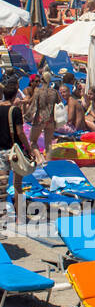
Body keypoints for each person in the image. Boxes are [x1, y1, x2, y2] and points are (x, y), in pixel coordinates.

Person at [0, 78, 34, 223]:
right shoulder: (14, 110)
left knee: (2, 186)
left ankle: (2, 216)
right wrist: (29, 148)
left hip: (0, 151)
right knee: (17, 185)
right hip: (14, 151)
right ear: (14, 96)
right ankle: (20, 217)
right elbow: (20, 132)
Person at [25, 72, 58, 159]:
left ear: (41, 80)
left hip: (40, 119)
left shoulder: (38, 92)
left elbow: (33, 107)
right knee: (49, 144)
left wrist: (26, 117)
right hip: (51, 119)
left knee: (32, 141)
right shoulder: (54, 92)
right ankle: (48, 162)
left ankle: (39, 159)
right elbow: (59, 104)